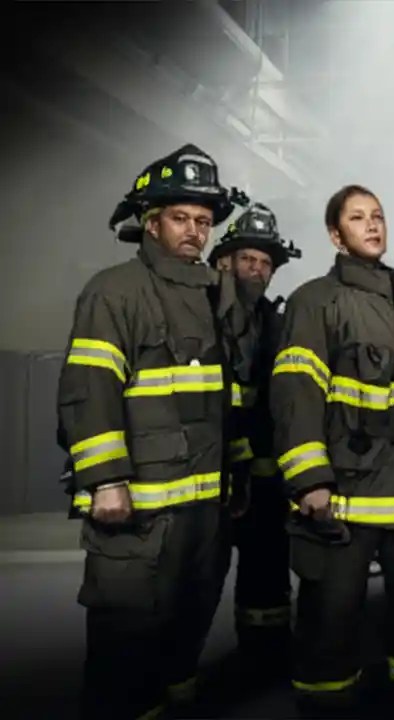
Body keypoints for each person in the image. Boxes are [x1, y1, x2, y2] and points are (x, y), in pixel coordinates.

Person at [57, 143, 246, 719]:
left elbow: (224, 400)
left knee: (190, 617)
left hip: (203, 503)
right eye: (182, 219)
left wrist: (233, 477)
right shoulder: (115, 291)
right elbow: (88, 392)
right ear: (151, 220)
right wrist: (107, 481)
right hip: (139, 507)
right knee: (125, 633)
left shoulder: (214, 296)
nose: (195, 232)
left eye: (205, 222)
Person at [270, 184, 394, 713]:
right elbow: (295, 396)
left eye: (378, 215)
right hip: (345, 497)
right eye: (358, 218)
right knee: (330, 617)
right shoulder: (315, 302)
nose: (373, 225)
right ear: (336, 234)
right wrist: (310, 480)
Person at [207, 202, 302, 671]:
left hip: (263, 475)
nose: (258, 270)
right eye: (249, 259)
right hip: (209, 472)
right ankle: (172, 675)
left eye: (266, 263)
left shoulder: (272, 319)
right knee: (197, 578)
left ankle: (264, 656)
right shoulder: (198, 312)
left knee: (266, 569)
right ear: (224, 259)